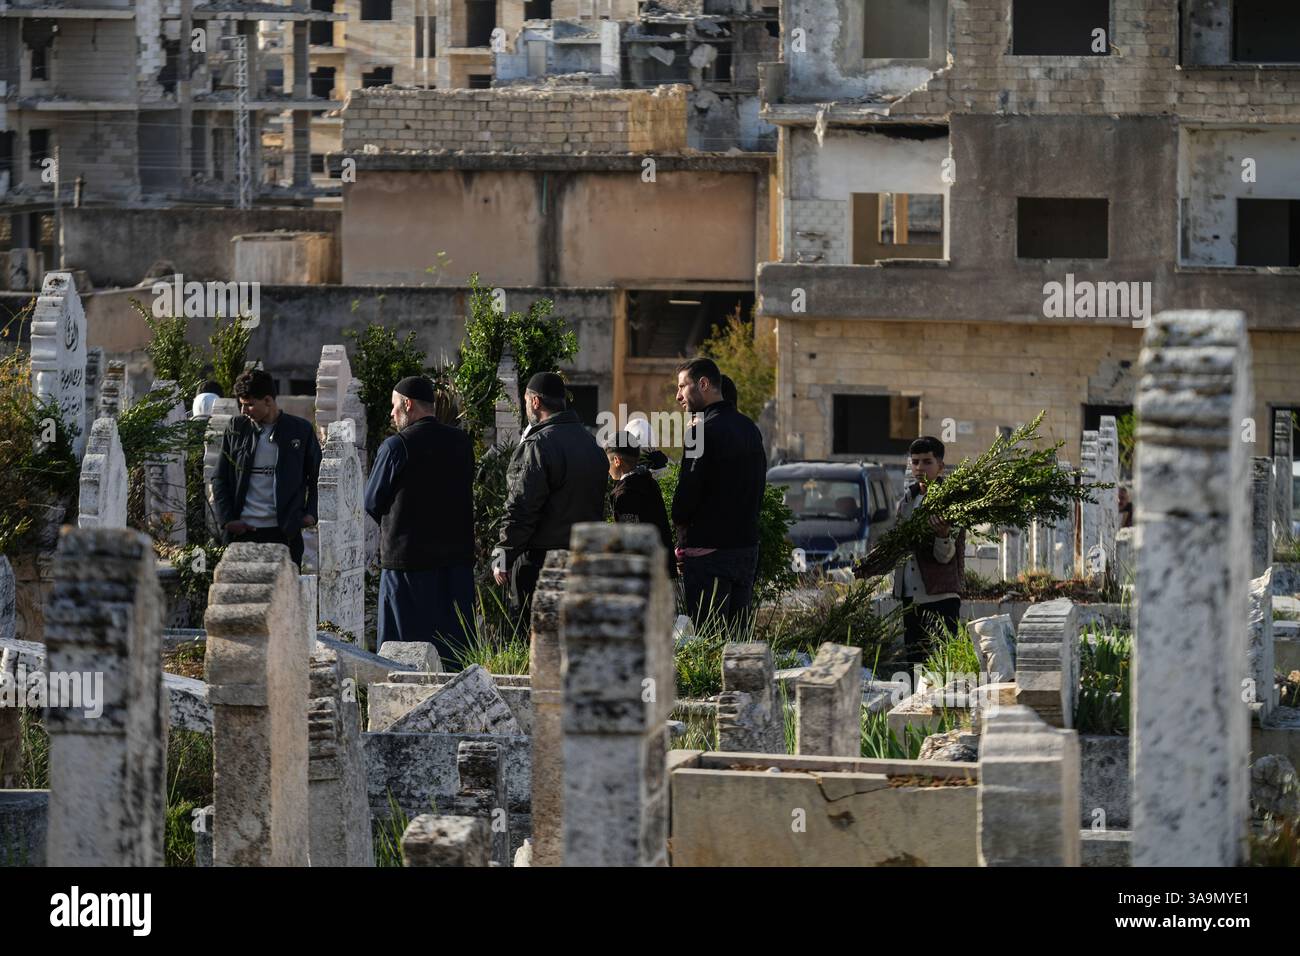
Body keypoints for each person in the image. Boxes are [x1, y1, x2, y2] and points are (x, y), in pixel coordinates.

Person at [364, 375, 476, 665]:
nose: (391, 413)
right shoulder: (462, 442)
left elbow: (371, 501)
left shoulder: (396, 447)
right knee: (454, 657)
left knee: (401, 660)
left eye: (393, 406)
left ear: (407, 404)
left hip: (407, 569)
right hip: (455, 566)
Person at [492, 372, 608, 614]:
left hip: (544, 564)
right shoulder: (592, 444)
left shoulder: (538, 445)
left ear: (535, 402)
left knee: (538, 643)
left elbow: (521, 507)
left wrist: (503, 554)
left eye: (525, 402)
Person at [671, 357, 767, 628]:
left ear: (703, 384)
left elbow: (686, 496)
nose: (678, 396)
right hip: (745, 549)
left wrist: (680, 524)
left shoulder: (701, 432)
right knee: (737, 643)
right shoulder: (749, 428)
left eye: (682, 387)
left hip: (709, 554)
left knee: (707, 641)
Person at [211, 369, 321, 567]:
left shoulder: (300, 430)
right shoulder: (236, 428)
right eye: (242, 405)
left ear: (268, 401)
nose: (244, 411)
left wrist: (310, 515)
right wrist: (227, 520)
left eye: (250, 405)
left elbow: (317, 478)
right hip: (243, 533)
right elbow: (220, 478)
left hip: (284, 533)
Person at [891, 436, 965, 671]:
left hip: (940, 596)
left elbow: (946, 556)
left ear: (940, 466)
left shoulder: (952, 501)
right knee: (915, 666)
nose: (920, 468)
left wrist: (942, 535)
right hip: (910, 599)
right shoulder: (907, 502)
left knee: (943, 667)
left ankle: (947, 708)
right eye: (915, 462)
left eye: (926, 462)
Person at [606, 433, 676, 579]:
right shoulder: (648, 482)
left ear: (617, 460)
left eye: (608, 462)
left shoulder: (624, 493)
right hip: (662, 567)